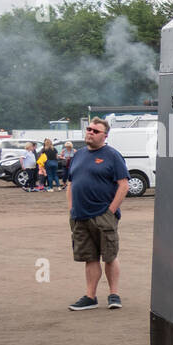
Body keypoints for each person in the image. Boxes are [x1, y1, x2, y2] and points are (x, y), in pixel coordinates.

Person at [65, 116, 129, 311]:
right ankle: (90, 297)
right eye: (89, 129)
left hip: (103, 215)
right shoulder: (78, 155)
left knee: (109, 255)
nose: (90, 132)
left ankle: (114, 295)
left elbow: (123, 185)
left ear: (105, 135)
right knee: (89, 257)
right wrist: (71, 209)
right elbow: (71, 184)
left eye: (95, 131)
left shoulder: (112, 155)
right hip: (80, 216)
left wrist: (110, 211)